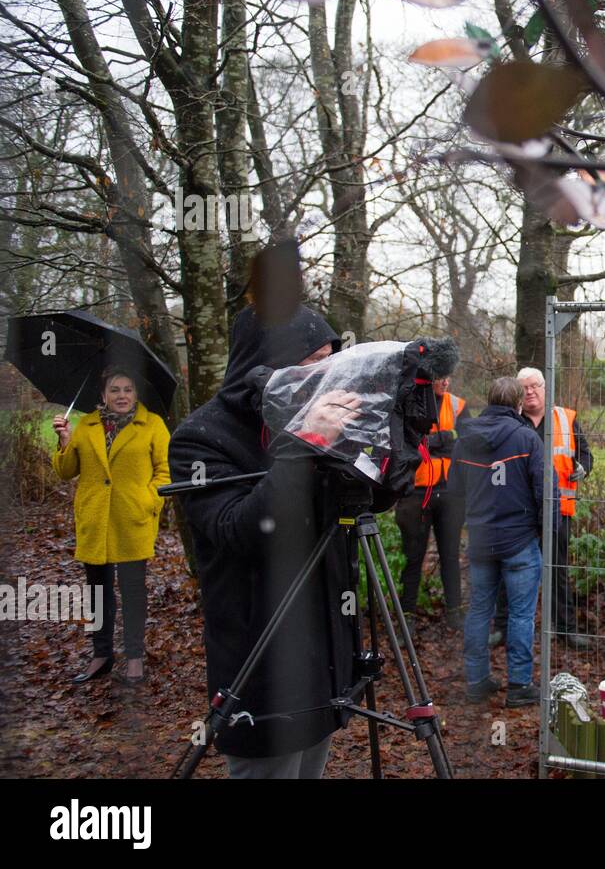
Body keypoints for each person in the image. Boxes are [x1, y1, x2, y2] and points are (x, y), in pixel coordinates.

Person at [168, 304, 375, 779]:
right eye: (309, 362)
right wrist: (306, 445)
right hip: (258, 658)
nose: (323, 375)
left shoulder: (315, 413)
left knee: (311, 767)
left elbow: (366, 503)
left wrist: (388, 443)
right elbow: (238, 531)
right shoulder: (202, 437)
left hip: (324, 647)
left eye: (329, 360)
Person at [51, 366, 170, 685]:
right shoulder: (85, 425)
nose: (121, 396)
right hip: (95, 520)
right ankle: (101, 655)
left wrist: (148, 500)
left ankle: (134, 658)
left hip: (132, 519)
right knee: (97, 592)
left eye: (127, 389)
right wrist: (64, 441)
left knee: (132, 592)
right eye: (114, 390)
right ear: (102, 395)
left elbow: (165, 472)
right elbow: (66, 471)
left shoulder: (153, 425)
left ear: (136, 394)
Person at [450, 377, 547, 707]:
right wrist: (544, 532)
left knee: (479, 611)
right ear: (518, 404)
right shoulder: (526, 437)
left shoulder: (465, 440)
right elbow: (543, 492)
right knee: (520, 615)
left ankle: (477, 681)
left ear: (488, 401)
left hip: (480, 541)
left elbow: (455, 492)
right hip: (519, 541)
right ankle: (519, 686)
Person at [491, 366, 594, 650]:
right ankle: (502, 628)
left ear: (545, 387)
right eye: (524, 387)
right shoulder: (510, 421)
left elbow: (585, 454)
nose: (530, 391)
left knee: (557, 570)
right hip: (518, 512)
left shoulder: (566, 418)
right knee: (508, 569)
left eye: (535, 385)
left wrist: (582, 467)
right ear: (518, 393)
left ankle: (565, 630)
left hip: (557, 509)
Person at [395, 373, 469, 627]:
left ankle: (455, 613)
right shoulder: (409, 403)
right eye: (440, 377)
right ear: (427, 378)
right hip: (415, 493)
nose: (446, 381)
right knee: (413, 555)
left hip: (450, 492)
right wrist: (445, 438)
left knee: (450, 555)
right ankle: (407, 615)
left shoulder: (458, 405)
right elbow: (406, 445)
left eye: (449, 376)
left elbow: (466, 442)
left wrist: (433, 441)